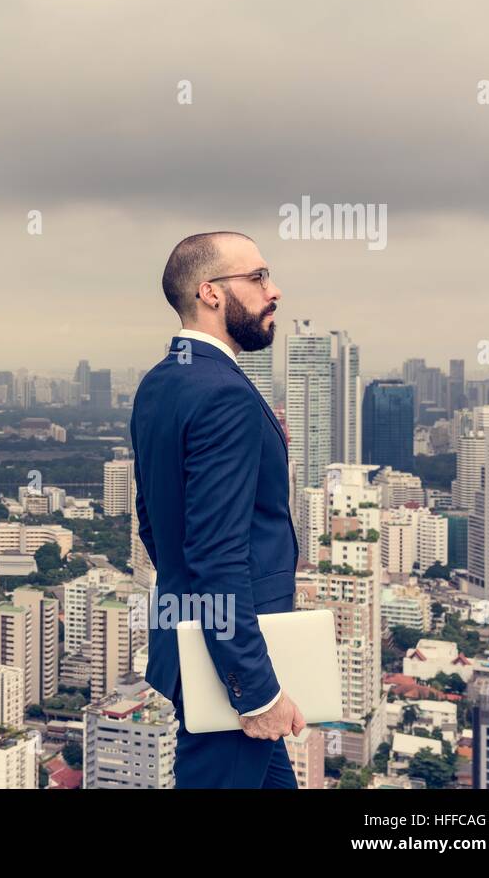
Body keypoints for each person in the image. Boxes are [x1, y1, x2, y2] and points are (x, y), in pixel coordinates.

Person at [131, 231, 303, 788]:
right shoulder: (223, 392)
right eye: (257, 278)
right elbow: (216, 555)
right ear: (210, 292)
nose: (274, 290)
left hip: (195, 641)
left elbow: (153, 521)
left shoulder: (161, 383)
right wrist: (256, 692)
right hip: (231, 664)